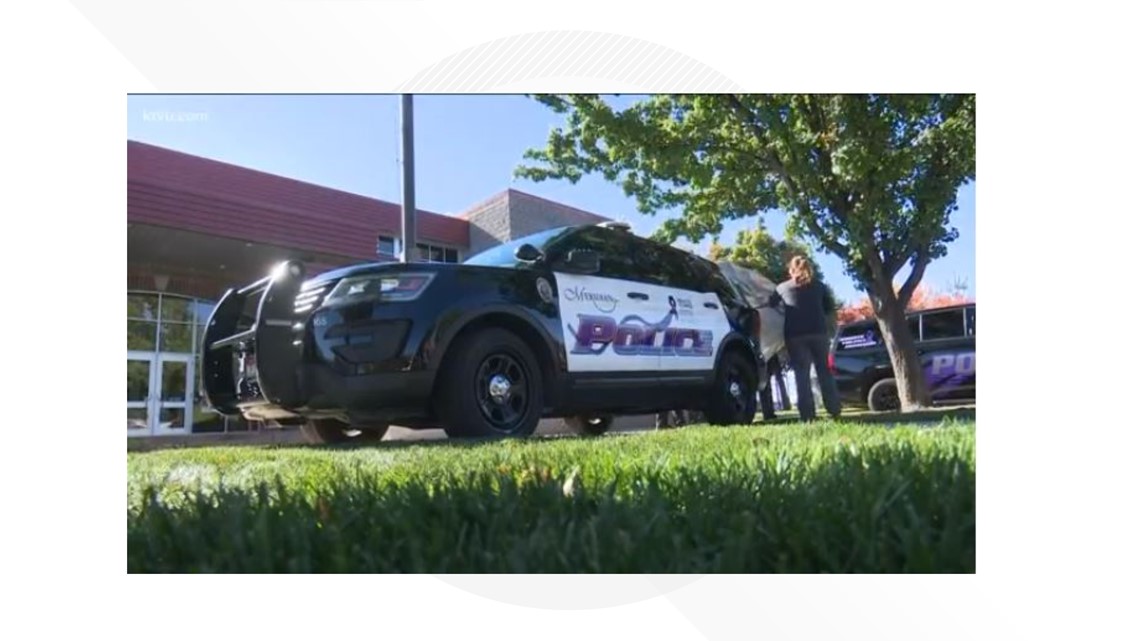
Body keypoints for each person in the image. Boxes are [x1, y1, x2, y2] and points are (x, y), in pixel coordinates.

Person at [775, 256, 842, 421]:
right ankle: (834, 409)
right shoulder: (820, 286)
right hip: (818, 332)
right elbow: (828, 308)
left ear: (791, 270)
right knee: (824, 371)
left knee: (801, 374)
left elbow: (772, 304)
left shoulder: (782, 288)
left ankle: (807, 415)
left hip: (795, 335)